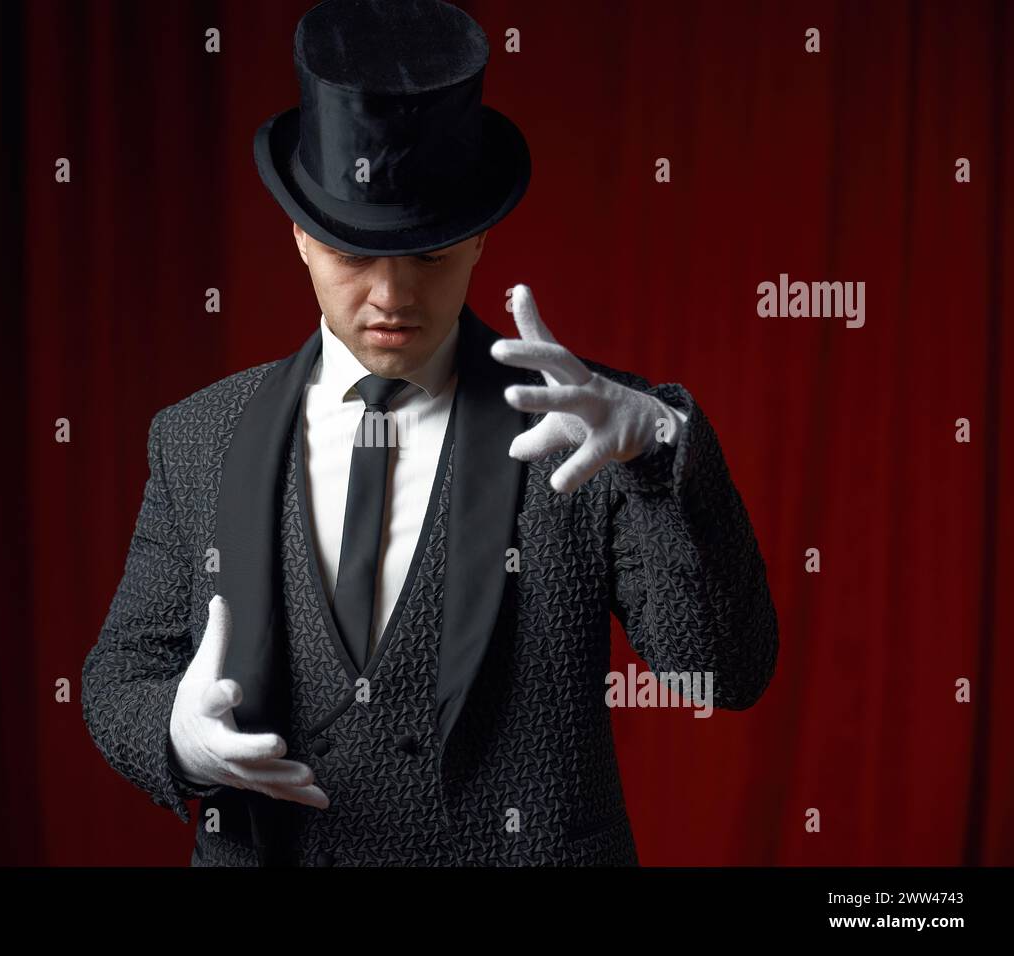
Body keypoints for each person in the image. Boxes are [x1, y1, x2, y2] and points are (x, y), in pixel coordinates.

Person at [81, 0, 778, 866]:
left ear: (480, 239)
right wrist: (180, 739)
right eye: (352, 255)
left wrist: (663, 453)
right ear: (299, 236)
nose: (391, 297)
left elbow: (721, 673)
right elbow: (120, 678)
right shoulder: (196, 439)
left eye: (429, 258)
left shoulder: (592, 425)